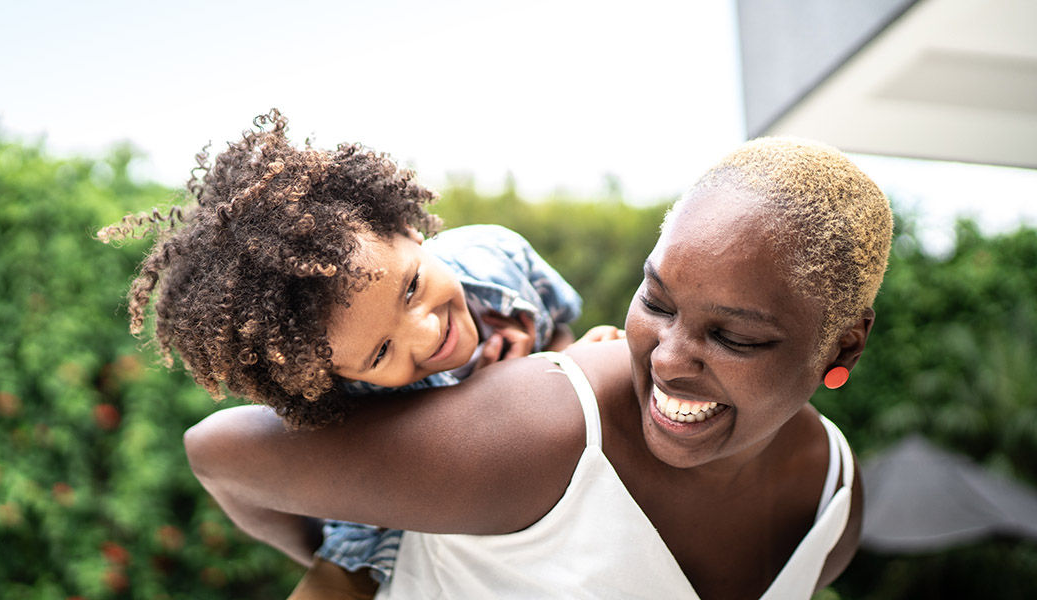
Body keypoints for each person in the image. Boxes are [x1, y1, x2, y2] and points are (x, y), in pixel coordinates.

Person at [184, 136, 893, 599]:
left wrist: (557, 341)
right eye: (656, 301)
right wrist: (347, 533)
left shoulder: (834, 506)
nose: (669, 359)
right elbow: (216, 450)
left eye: (735, 336)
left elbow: (550, 310)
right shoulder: (540, 427)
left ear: (843, 348)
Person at [99, 110, 619, 597]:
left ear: (408, 230)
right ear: (332, 380)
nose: (426, 334)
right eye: (381, 352)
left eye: (412, 288)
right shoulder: (373, 422)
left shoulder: (496, 256)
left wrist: (568, 358)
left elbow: (559, 329)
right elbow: (348, 565)